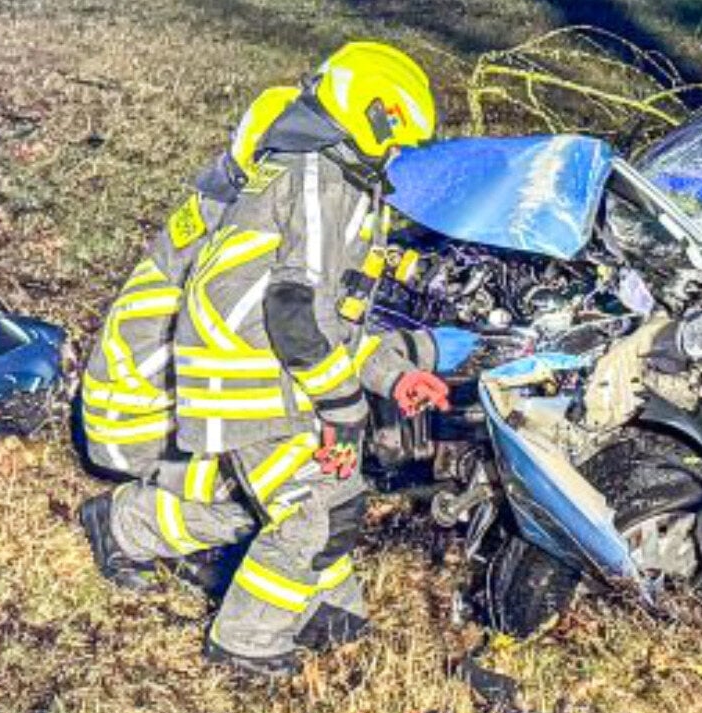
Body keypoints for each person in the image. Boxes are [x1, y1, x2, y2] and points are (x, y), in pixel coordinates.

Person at [77, 42, 451, 676]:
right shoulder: (318, 180)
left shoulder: (325, 178)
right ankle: (246, 644)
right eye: (396, 141)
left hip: (263, 375)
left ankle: (133, 530)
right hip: (248, 378)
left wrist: (393, 373)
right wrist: (344, 404)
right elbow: (293, 313)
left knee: (309, 500)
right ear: (374, 116)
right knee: (312, 514)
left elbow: (332, 318)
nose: (395, 158)